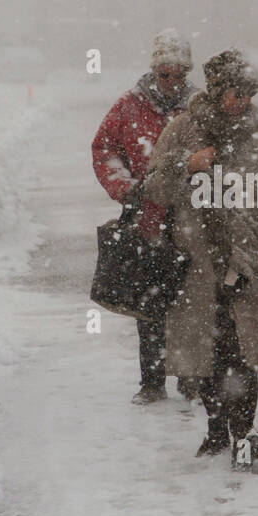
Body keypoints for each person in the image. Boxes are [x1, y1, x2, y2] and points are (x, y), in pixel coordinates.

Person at [144, 49, 258, 466]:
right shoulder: (182, 130)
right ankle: (214, 430)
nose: (240, 101)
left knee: (244, 355)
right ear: (215, 91)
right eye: (233, 93)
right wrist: (186, 165)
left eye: (247, 93)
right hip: (196, 264)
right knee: (206, 355)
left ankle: (243, 434)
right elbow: (154, 187)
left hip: (247, 265)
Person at [91, 29, 196, 404]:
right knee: (149, 301)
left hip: (191, 217)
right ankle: (152, 380)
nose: (171, 81)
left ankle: (190, 375)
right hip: (147, 216)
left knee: (189, 300)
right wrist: (126, 188)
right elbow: (104, 148)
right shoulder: (129, 106)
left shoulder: (199, 107)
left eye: (178, 74)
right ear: (154, 71)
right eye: (164, 73)